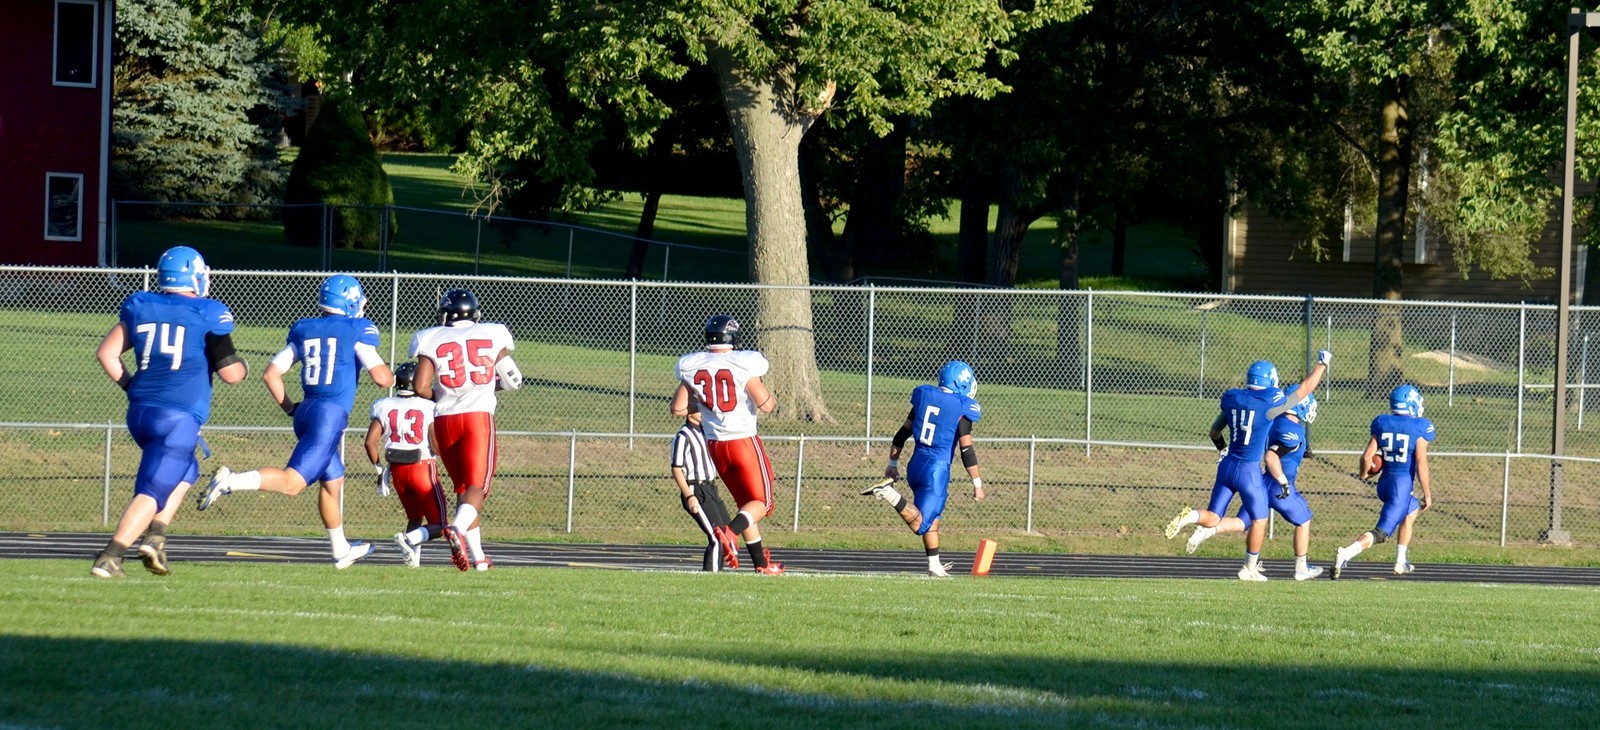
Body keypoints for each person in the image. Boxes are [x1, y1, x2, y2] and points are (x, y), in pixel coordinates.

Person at [197, 274, 394, 570]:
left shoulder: (306, 329)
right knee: (292, 483)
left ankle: (341, 550)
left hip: (306, 412)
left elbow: (271, 373)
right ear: (351, 302)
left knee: (333, 481)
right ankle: (231, 481)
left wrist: (291, 408)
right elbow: (381, 379)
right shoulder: (357, 329)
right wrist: (391, 374)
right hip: (329, 416)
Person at [91, 246, 248, 578]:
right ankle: (112, 555)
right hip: (176, 418)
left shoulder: (141, 306)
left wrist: (132, 386)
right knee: (153, 490)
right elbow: (231, 375)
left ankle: (156, 535)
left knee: (187, 469)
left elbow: (107, 354)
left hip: (140, 412)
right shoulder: (207, 311)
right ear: (194, 276)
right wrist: (244, 366)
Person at [1165, 351, 1330, 581]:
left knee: (1213, 517)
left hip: (1227, 464)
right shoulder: (1271, 406)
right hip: (1249, 471)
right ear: (1271, 382)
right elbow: (1303, 390)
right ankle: (1249, 568)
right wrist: (1322, 364)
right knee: (1259, 520)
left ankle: (1191, 516)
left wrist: (1223, 449)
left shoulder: (1233, 399)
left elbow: (1214, 432)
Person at [409, 288, 521, 572]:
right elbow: (513, 380)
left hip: (445, 421)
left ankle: (480, 560)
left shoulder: (430, 337)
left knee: (463, 490)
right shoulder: (493, 333)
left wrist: (446, 396)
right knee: (477, 488)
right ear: (475, 313)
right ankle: (456, 529)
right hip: (476, 418)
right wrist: (487, 386)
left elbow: (420, 387)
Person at [670, 314, 784, 575]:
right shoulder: (744, 363)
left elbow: (677, 408)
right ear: (733, 336)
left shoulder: (692, 365)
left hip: (715, 447)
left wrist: (710, 406)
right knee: (763, 503)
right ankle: (730, 534)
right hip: (743, 441)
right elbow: (766, 405)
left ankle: (761, 564)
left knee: (747, 504)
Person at [863, 361, 986, 577]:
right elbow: (967, 450)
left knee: (933, 518)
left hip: (916, 464)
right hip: (936, 470)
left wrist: (892, 465)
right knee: (920, 524)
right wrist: (977, 483)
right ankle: (888, 493)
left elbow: (902, 434)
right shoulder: (961, 408)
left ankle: (934, 565)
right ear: (962, 384)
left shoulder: (924, 396)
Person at [1334, 383, 1435, 579]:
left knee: (1411, 510)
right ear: (1411, 404)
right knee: (1381, 533)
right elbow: (1422, 464)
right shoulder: (1420, 426)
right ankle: (1346, 553)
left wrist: (1364, 474)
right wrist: (1428, 494)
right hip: (1401, 486)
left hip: (1385, 483)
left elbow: (1366, 458)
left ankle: (1400, 561)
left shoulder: (1382, 422)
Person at [366, 362, 446, 569]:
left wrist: (379, 469)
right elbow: (436, 447)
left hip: (397, 470)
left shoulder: (384, 405)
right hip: (422, 466)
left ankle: (413, 563)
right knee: (441, 525)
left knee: (415, 517)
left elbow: (369, 442)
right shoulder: (428, 406)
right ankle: (409, 540)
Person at [671, 408, 736, 572]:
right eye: (698, 409)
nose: (702, 412)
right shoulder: (683, 436)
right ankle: (711, 576)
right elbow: (677, 469)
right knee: (716, 537)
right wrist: (690, 496)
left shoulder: (707, 431)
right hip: (696, 489)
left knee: (727, 533)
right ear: (689, 413)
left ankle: (717, 571)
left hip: (711, 488)